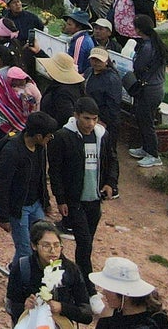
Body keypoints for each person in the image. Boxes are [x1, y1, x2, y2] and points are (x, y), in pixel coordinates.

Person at [48, 97, 116, 283]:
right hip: (74, 200)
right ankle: (87, 284)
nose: (90, 123)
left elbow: (111, 160)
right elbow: (55, 170)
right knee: (84, 243)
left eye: (94, 119)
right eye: (86, 118)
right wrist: (60, 199)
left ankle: (76, 276)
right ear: (76, 116)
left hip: (94, 200)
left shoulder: (102, 135)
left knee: (87, 244)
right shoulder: (62, 137)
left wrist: (110, 182)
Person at [0, 111, 57, 266]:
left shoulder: (40, 148)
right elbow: (2, 185)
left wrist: (46, 202)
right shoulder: (12, 151)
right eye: (49, 136)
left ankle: (18, 269)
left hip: (35, 204)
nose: (50, 139)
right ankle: (19, 277)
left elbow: (41, 177)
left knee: (41, 242)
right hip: (18, 209)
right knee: (24, 249)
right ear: (38, 136)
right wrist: (4, 217)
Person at [5, 219, 93, 328]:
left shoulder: (70, 270)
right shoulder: (23, 267)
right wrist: (24, 306)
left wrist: (62, 308)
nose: (53, 251)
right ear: (34, 246)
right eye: (46, 245)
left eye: (57, 245)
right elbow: (9, 305)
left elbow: (87, 314)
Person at [90, 257, 168, 329]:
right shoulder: (161, 316)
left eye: (109, 289)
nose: (104, 292)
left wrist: (105, 320)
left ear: (125, 296)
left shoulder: (155, 323)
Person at [127, 14, 166, 168]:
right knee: (143, 120)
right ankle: (146, 149)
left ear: (139, 29)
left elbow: (138, 66)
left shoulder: (148, 47)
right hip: (153, 88)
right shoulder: (153, 44)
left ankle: (154, 155)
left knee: (146, 121)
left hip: (149, 89)